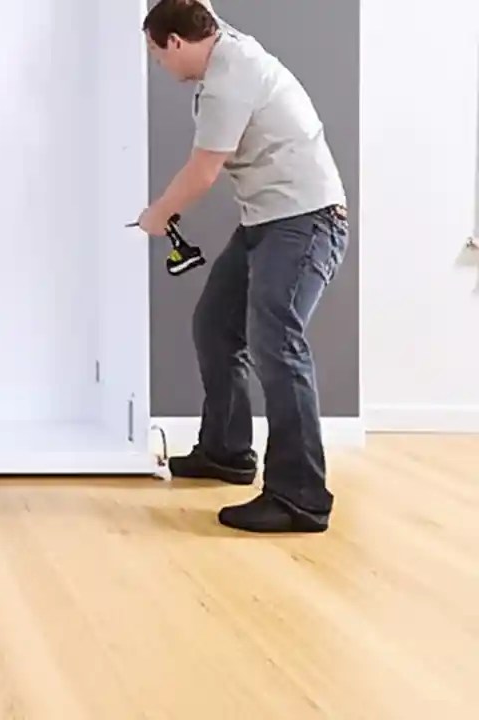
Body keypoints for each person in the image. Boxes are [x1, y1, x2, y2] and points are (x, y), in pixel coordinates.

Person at [138, 0, 348, 533]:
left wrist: (158, 215)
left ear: (177, 43)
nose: (159, 65)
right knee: (215, 325)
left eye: (157, 55)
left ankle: (300, 496)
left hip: (306, 220)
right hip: (267, 220)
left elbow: (204, 171)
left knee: (276, 341)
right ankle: (226, 451)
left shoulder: (232, 74)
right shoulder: (219, 40)